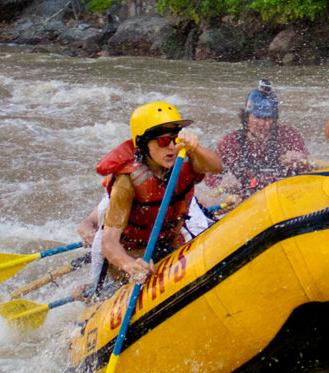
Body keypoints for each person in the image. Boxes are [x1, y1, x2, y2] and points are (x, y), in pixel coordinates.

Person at [78, 100, 223, 291]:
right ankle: (89, 294)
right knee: (101, 287)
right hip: (132, 252)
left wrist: (196, 148)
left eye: (175, 139)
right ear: (144, 144)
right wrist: (129, 265)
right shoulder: (127, 182)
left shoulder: (185, 160)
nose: (171, 147)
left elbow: (216, 167)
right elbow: (109, 240)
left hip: (169, 243)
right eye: (163, 141)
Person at [211, 79, 311, 195]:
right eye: (257, 117)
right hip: (244, 201)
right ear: (246, 117)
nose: (262, 124)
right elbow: (211, 175)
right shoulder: (230, 143)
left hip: (282, 196)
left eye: (267, 119)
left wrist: (301, 160)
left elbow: (310, 170)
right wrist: (222, 182)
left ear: (274, 119)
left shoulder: (289, 137)